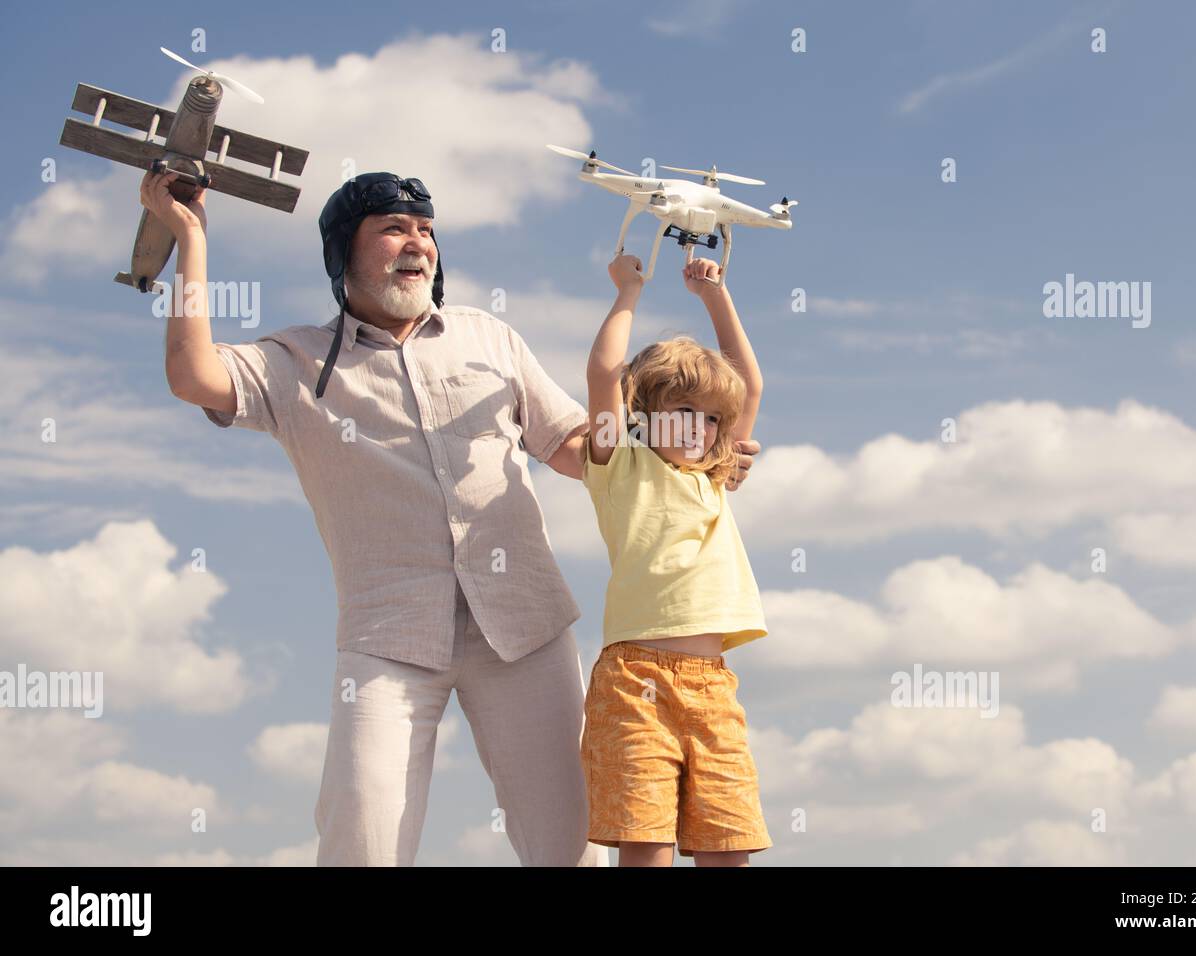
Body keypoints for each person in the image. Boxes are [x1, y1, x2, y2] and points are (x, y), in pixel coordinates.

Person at [140, 169, 762, 866]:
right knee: (362, 840)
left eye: (427, 231)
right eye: (394, 230)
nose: (418, 244)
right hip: (387, 637)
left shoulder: (489, 338)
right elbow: (192, 374)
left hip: (526, 627)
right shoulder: (296, 362)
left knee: (575, 847)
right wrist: (190, 239)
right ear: (344, 251)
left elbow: (580, 449)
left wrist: (700, 458)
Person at [579, 251, 772, 867]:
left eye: (710, 418)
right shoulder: (621, 467)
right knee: (647, 842)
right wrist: (628, 291)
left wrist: (715, 296)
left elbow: (747, 381)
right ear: (645, 415)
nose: (697, 428)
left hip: (712, 688)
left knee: (729, 844)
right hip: (636, 683)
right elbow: (605, 373)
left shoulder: (718, 475)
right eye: (681, 412)